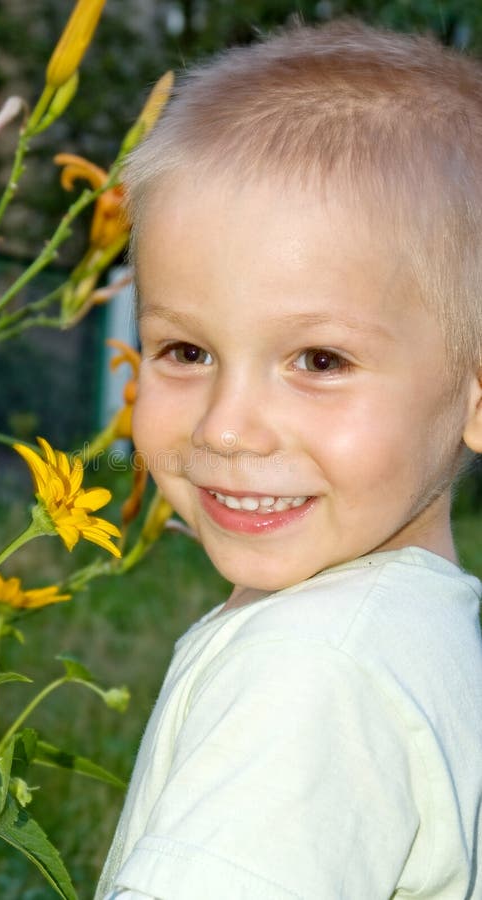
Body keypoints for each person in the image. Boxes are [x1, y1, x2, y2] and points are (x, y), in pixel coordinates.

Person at [95, 19, 482, 900]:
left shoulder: (313, 673)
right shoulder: (412, 634)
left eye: (318, 361)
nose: (227, 429)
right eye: (186, 351)